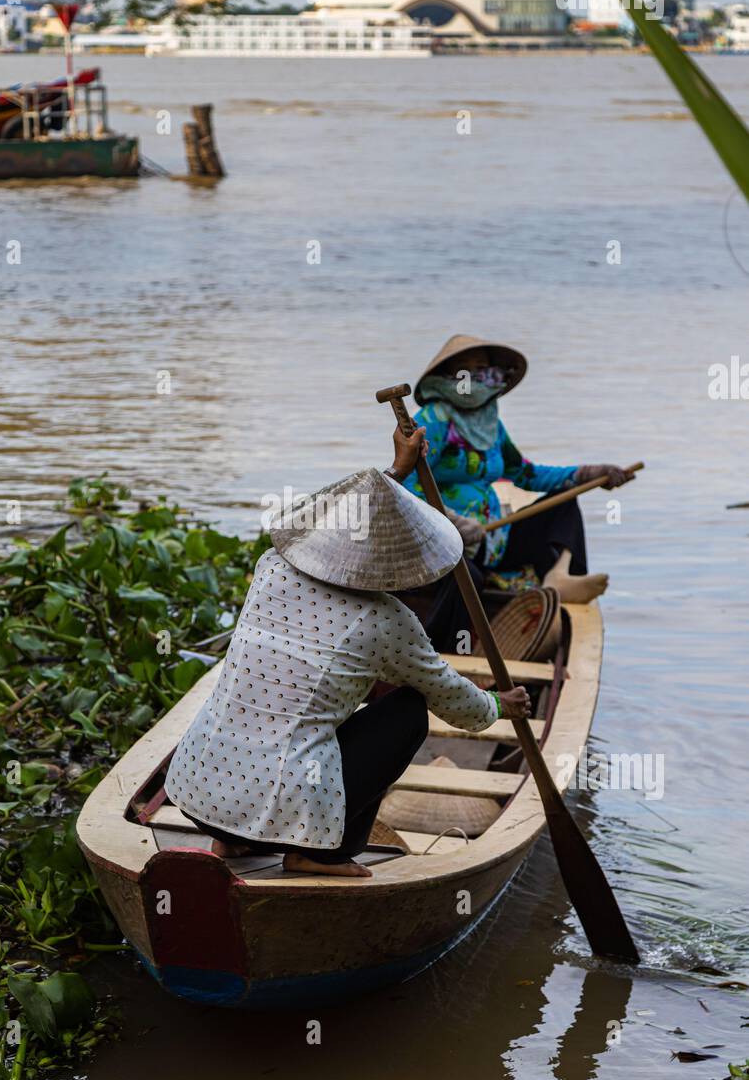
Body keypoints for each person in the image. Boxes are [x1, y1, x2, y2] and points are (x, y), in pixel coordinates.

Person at [164, 461, 530, 879]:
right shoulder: (388, 621)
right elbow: (450, 696)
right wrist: (499, 706)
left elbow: (340, 509)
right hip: (280, 812)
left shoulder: (270, 569)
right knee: (409, 708)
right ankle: (320, 854)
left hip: (196, 793)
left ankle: (231, 840)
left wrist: (394, 471)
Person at [394, 334, 633, 648]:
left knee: (563, 506)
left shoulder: (489, 422)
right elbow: (407, 489)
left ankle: (559, 578)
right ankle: (449, 654)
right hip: (449, 546)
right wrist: (451, 523)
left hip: (493, 539)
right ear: (450, 377)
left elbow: (525, 473)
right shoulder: (433, 421)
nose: (480, 378)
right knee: (468, 580)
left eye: (485, 370)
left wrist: (587, 474)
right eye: (469, 371)